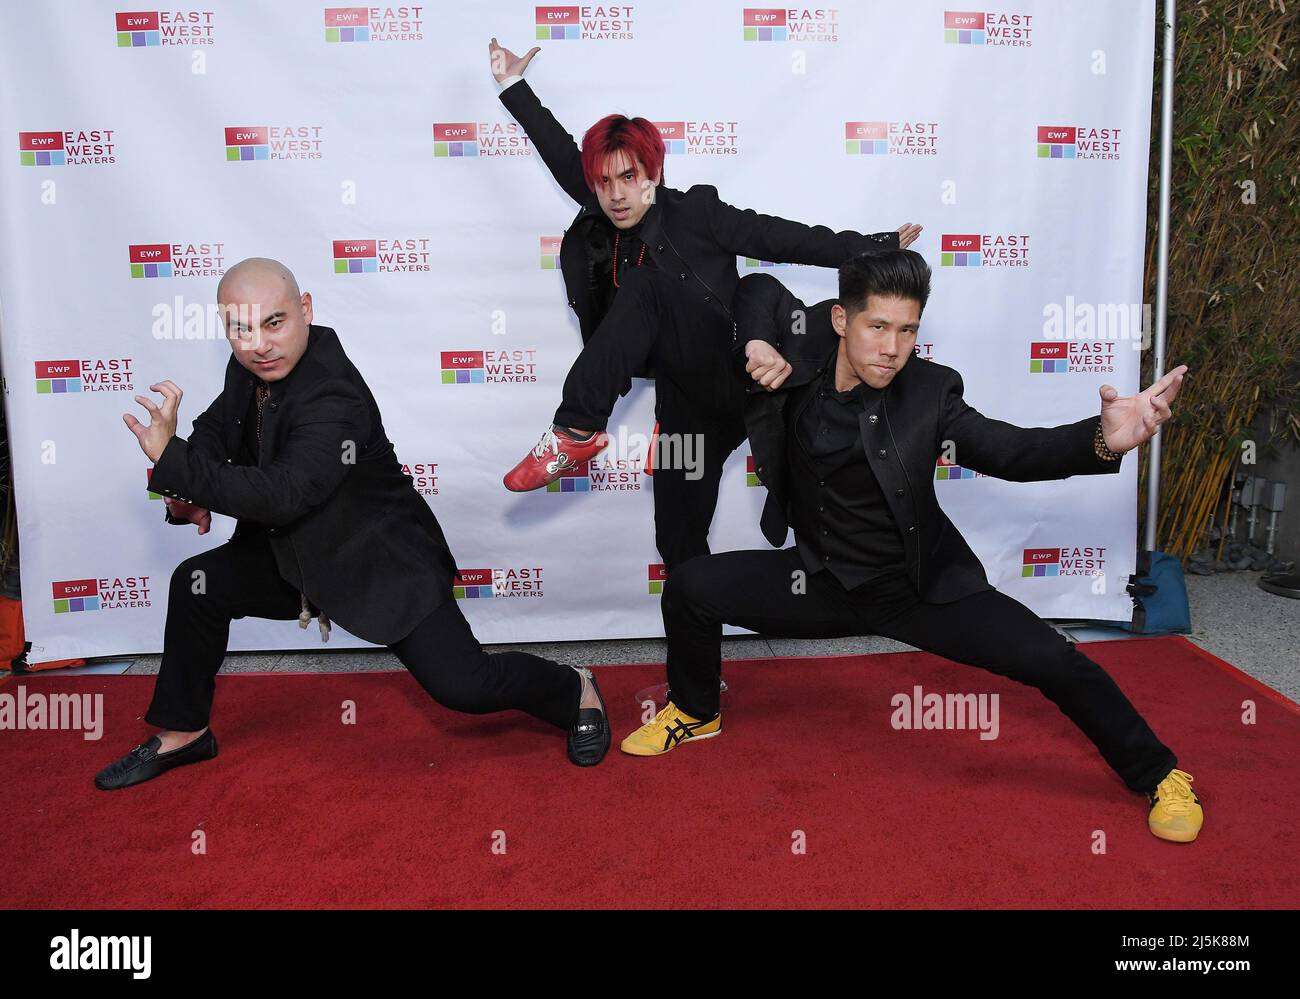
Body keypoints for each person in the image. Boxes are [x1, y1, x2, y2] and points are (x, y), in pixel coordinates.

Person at [619, 249, 1203, 844]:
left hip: (918, 588)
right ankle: (695, 711)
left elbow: (1010, 450)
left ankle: (1161, 774)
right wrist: (755, 344)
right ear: (841, 321)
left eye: (907, 331)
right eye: (878, 327)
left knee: (1055, 661)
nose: (892, 348)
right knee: (692, 586)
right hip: (818, 580)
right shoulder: (799, 360)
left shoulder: (929, 394)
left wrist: (1102, 441)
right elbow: (759, 289)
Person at [95, 257, 610, 789]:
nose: (257, 344)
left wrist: (176, 463)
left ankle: (574, 689)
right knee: (198, 587)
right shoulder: (248, 368)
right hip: (292, 558)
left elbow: (285, 495)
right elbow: (216, 428)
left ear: (306, 310)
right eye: (240, 329)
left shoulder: (333, 396)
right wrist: (185, 490)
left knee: (466, 688)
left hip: (376, 562)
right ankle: (185, 731)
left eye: (274, 323)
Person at [488, 37, 921, 572]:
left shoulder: (697, 213)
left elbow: (779, 237)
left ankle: (574, 432)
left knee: (647, 287)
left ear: (654, 174)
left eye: (630, 178)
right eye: (604, 182)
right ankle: (693, 645)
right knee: (678, 545)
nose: (617, 195)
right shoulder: (602, 215)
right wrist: (512, 84)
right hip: (688, 407)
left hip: (740, 365)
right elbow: (559, 149)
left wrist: (868, 245)